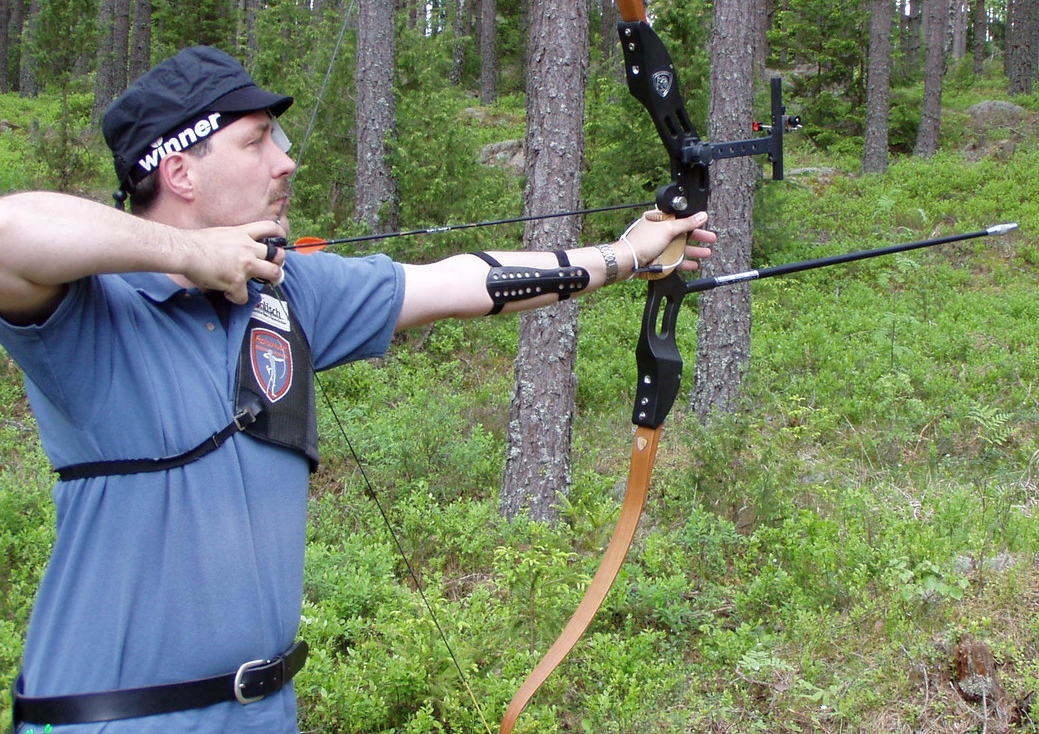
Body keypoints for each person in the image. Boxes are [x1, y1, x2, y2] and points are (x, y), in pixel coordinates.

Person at [0, 46, 713, 734]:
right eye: (256, 142)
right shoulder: (90, 312)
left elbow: (464, 281)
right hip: (112, 719)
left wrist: (623, 256)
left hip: (262, 712)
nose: (287, 161)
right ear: (181, 170)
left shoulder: (286, 292)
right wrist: (189, 254)